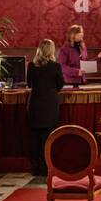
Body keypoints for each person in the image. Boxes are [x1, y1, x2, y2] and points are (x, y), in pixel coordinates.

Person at [26, 39, 64, 176]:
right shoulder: (55, 66)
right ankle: (47, 167)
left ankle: (35, 167)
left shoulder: (31, 66)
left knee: (34, 137)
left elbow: (29, 84)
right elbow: (60, 85)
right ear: (51, 51)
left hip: (35, 105)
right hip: (49, 105)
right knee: (47, 137)